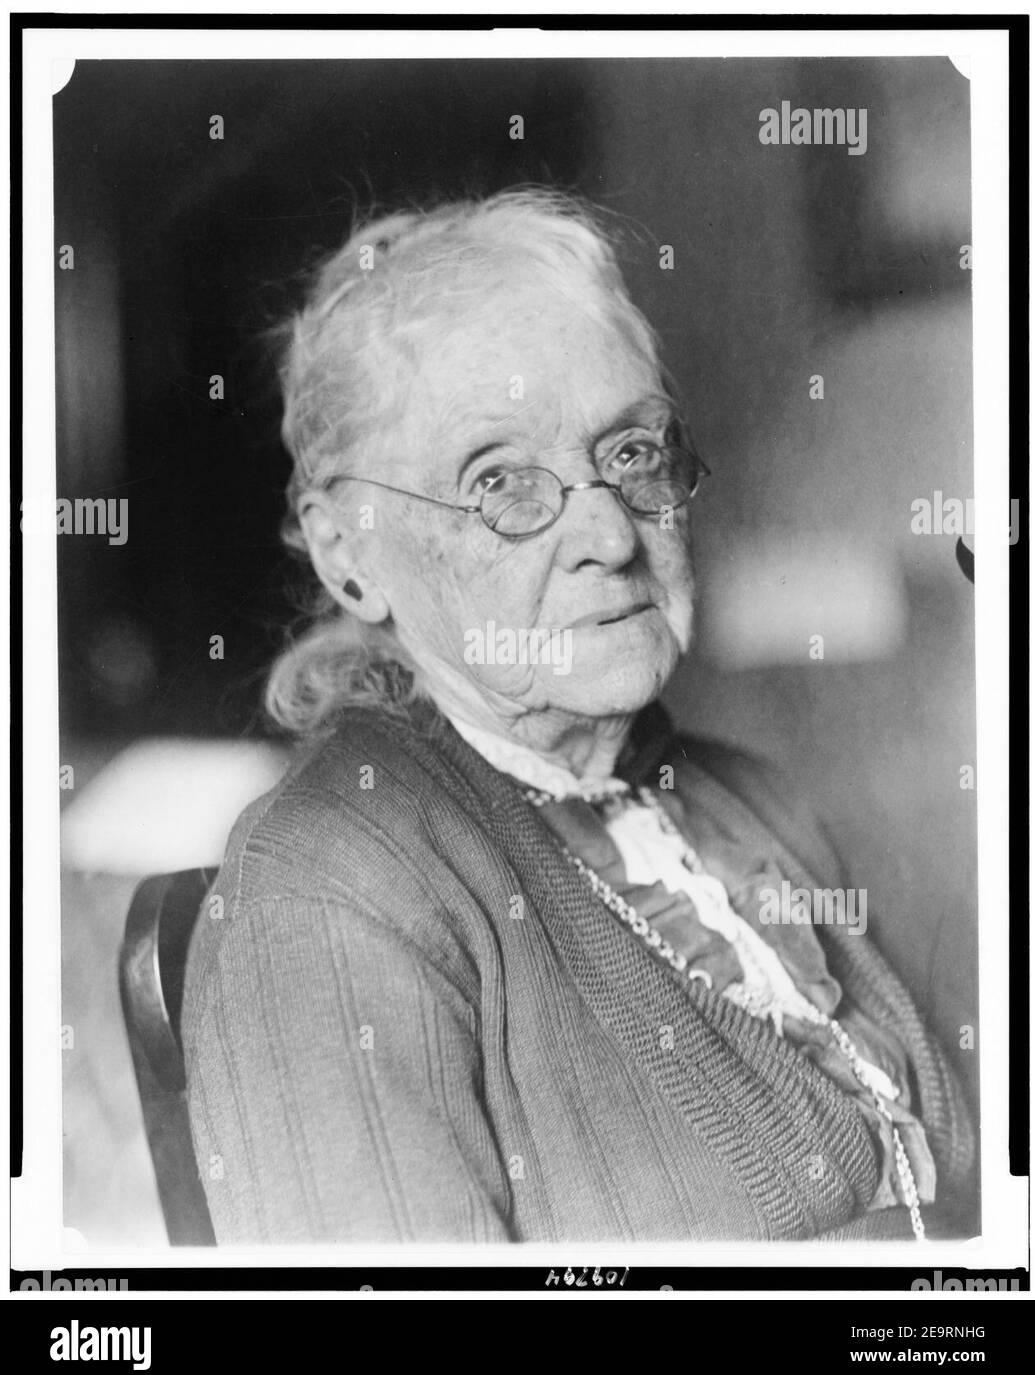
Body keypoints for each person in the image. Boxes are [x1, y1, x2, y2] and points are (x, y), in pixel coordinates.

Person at [183, 189, 975, 1243]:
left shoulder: (753, 802)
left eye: (633, 452)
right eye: (502, 481)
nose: (607, 531)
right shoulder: (328, 887)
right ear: (349, 553)